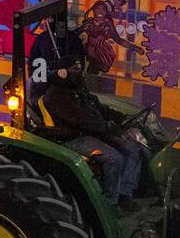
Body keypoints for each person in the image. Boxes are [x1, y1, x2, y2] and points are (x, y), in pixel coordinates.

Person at [40, 59, 145, 209]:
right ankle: (110, 202)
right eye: (75, 69)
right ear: (63, 73)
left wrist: (121, 117)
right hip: (74, 137)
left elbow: (98, 108)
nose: (80, 72)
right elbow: (80, 119)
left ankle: (125, 193)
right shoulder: (55, 95)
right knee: (114, 158)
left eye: (80, 69)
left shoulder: (78, 89)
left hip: (94, 130)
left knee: (133, 148)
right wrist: (107, 127)